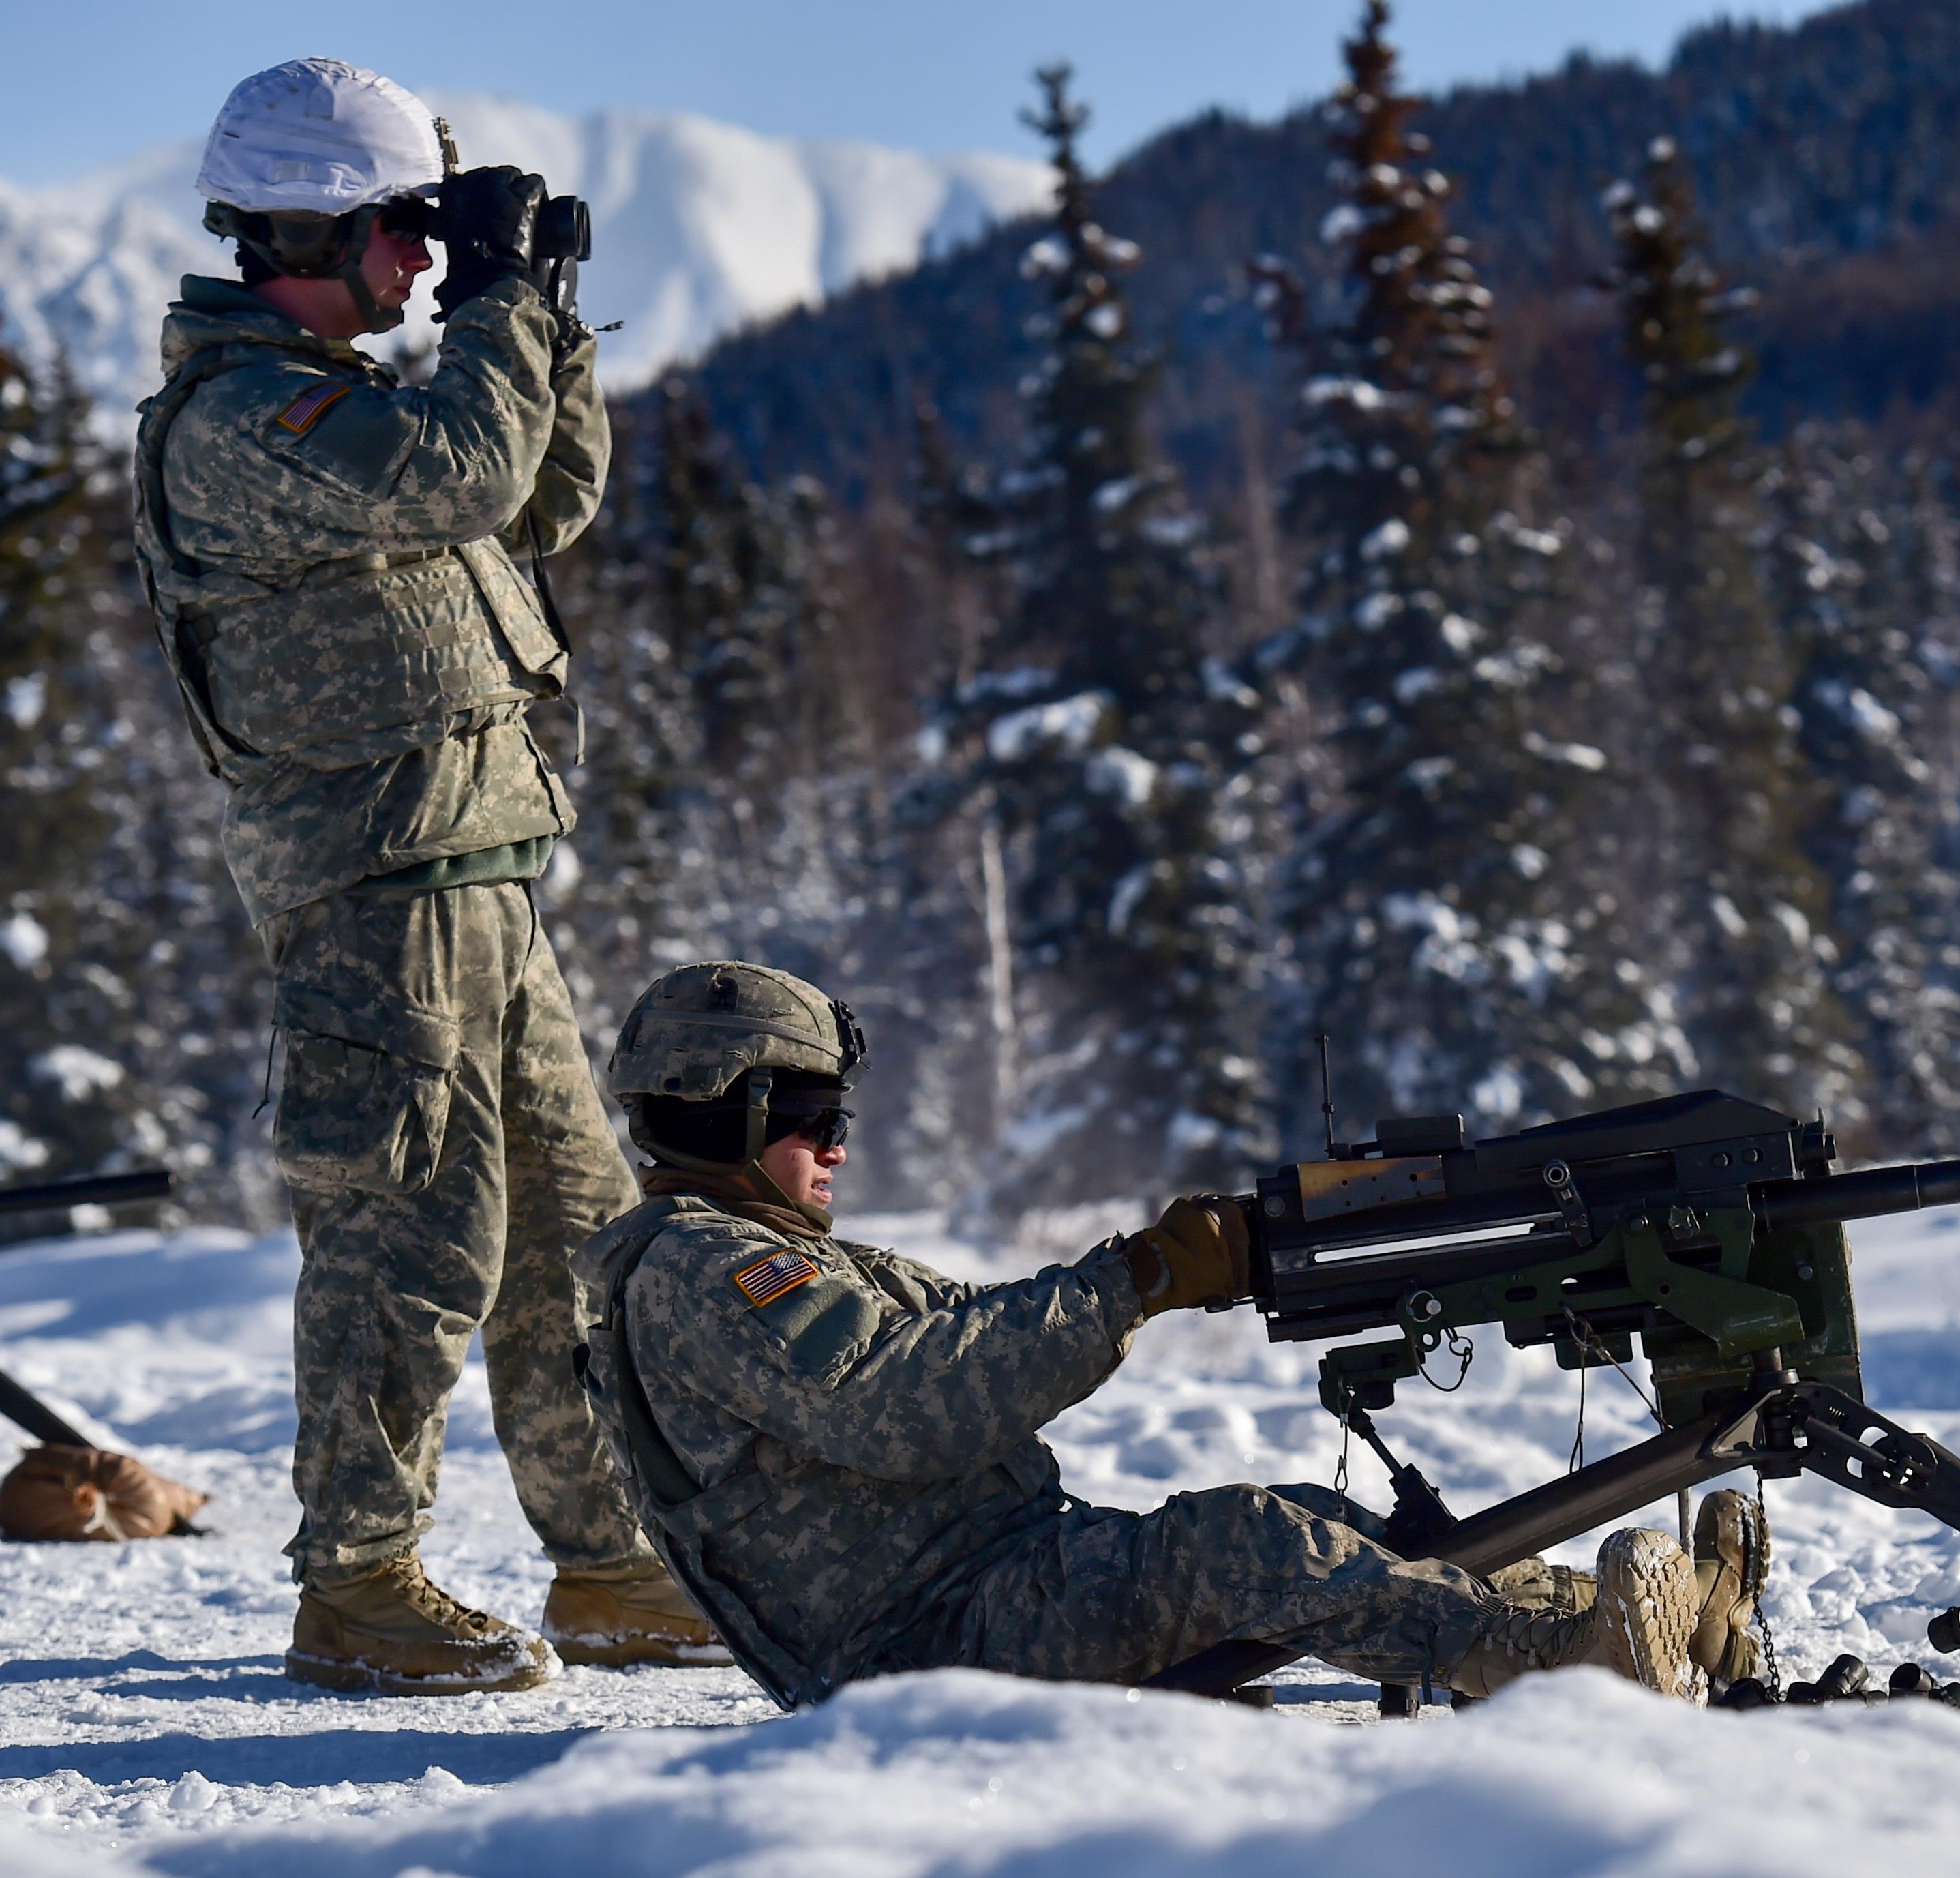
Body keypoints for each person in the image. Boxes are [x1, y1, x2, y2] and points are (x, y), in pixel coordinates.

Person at [132, 57, 715, 1693]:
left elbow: (540, 493)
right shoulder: (252, 418)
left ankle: (608, 1565)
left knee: (570, 1233)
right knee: (411, 1230)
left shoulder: (365, 405)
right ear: (316, 226)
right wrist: (500, 309)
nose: (421, 261)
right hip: (374, 892)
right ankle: (360, 1583)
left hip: (475, 871)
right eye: (407, 227)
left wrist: (547, 311)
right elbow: (463, 471)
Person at [574, 962, 1777, 1710]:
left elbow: (970, 1332)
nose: (837, 1143)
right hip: (923, 1645)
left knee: (1318, 1519)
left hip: (982, 1585)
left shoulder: (760, 1253)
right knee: (1238, 1542)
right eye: (810, 1115)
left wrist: (1194, 1261)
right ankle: (1564, 1665)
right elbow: (916, 1397)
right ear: (726, 1111)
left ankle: (1643, 1625)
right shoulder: (708, 1270)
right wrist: (1140, 1277)